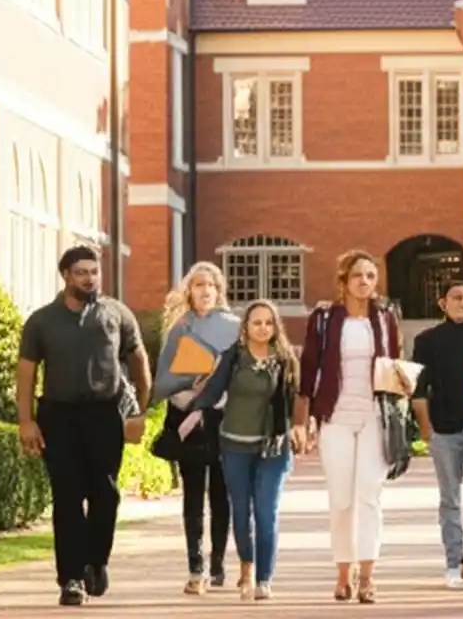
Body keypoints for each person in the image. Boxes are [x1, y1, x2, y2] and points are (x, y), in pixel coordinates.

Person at [16, 245, 152, 606]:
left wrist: (140, 413)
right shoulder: (42, 321)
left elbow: (139, 362)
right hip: (58, 416)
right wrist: (26, 421)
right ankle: (71, 579)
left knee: (106, 495)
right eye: (81, 273)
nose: (89, 279)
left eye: (94, 272)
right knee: (67, 497)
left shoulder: (116, 314)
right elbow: (26, 373)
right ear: (66, 275)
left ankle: (96, 561)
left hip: (104, 415)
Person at [294, 250, 405, 604]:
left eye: (370, 276)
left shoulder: (385, 318)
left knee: (369, 495)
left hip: (374, 414)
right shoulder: (324, 318)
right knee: (341, 499)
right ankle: (344, 571)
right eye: (357, 275)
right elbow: (308, 368)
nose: (365, 282)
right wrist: (301, 420)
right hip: (336, 416)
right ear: (343, 281)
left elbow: (395, 361)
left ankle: (368, 577)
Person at [186, 300, 300, 601]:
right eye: (256, 322)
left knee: (266, 511)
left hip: (272, 447)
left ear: (276, 327)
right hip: (235, 444)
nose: (263, 328)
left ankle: (264, 578)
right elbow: (214, 389)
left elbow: (296, 397)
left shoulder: (285, 359)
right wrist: (196, 409)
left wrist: (301, 426)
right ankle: (246, 566)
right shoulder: (233, 357)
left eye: (268, 323)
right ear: (245, 327)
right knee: (241, 511)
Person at [153, 262, 237, 594]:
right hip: (186, 416)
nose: (205, 291)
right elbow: (165, 377)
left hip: (221, 418)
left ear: (218, 291)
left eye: (211, 285)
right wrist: (190, 385)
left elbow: (241, 373)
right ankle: (195, 566)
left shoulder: (235, 327)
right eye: (199, 285)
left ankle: (218, 563)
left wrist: (214, 386)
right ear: (189, 291)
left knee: (221, 493)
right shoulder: (179, 328)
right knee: (192, 495)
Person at [412, 280, 463, 588]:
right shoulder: (427, 341)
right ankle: (455, 558)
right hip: (443, 427)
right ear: (443, 303)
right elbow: (418, 388)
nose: (462, 303)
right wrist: (426, 429)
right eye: (456, 297)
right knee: (450, 497)